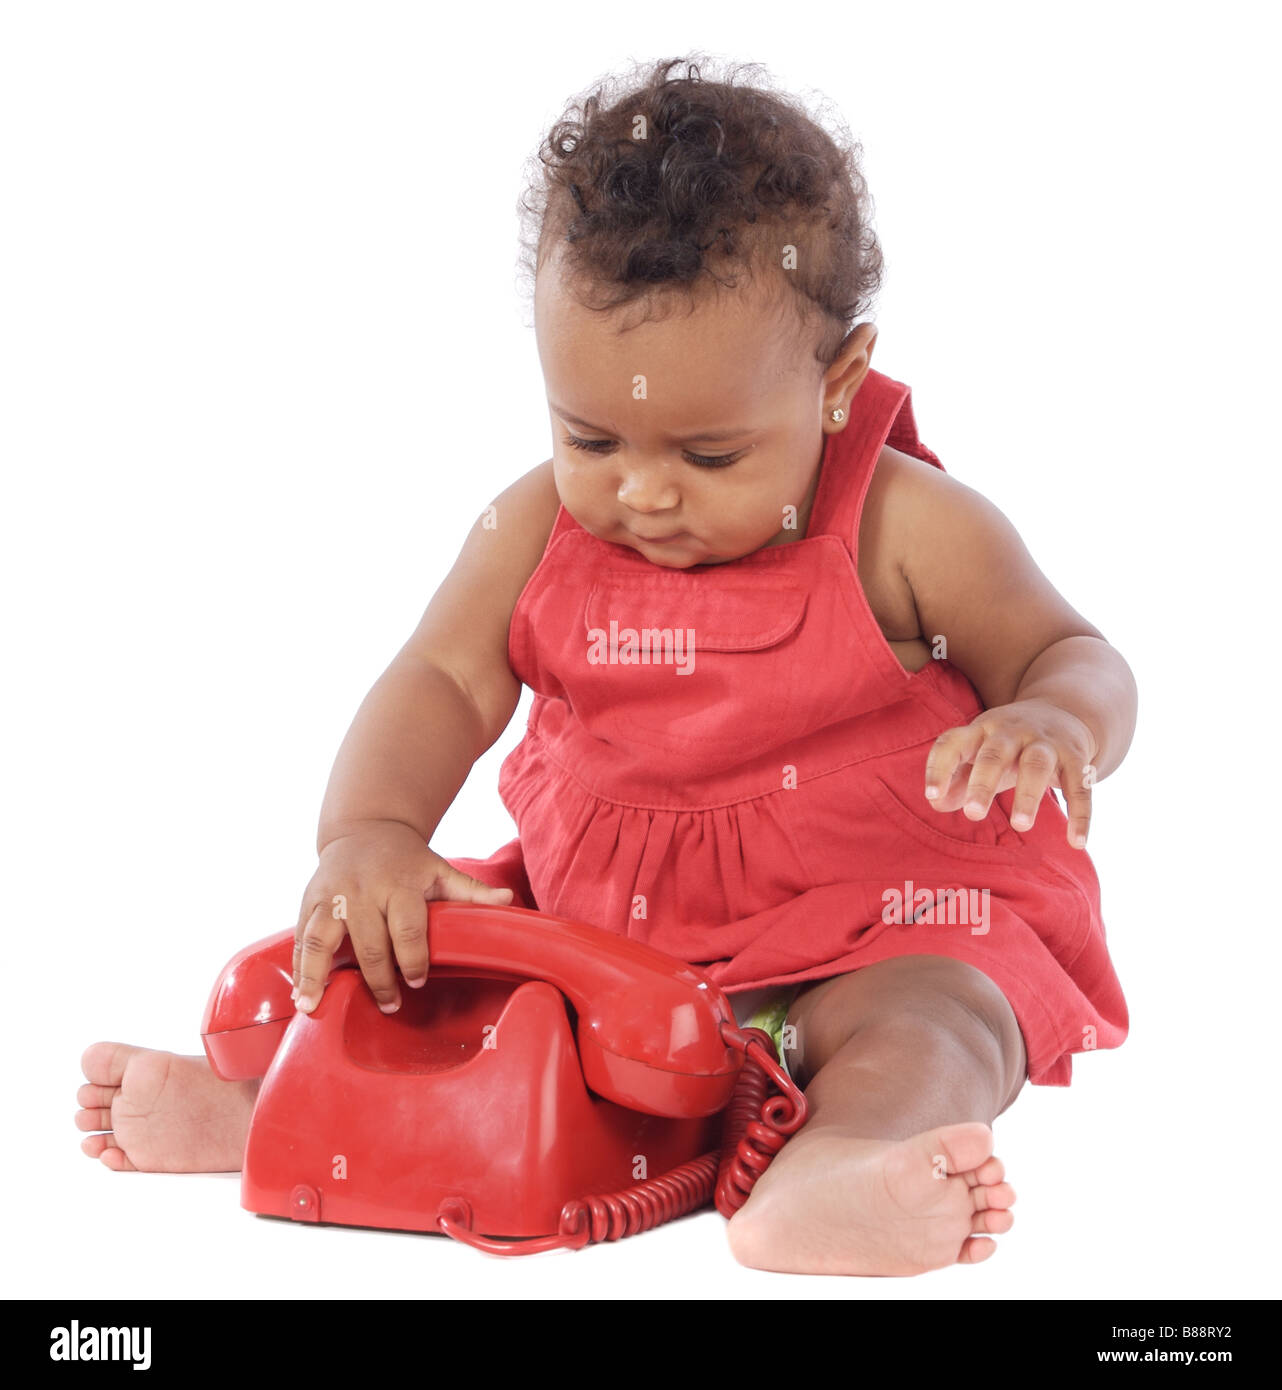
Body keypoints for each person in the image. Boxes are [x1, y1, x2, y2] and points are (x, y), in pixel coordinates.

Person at [76, 53, 1135, 1277]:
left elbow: (1072, 650)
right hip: (598, 939)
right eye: (590, 434)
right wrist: (365, 836)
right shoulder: (532, 528)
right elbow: (443, 678)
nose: (639, 489)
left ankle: (841, 1162)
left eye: (710, 452)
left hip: (870, 930)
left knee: (942, 1016)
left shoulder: (909, 529)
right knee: (418, 973)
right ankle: (278, 1112)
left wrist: (1054, 717)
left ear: (835, 387)